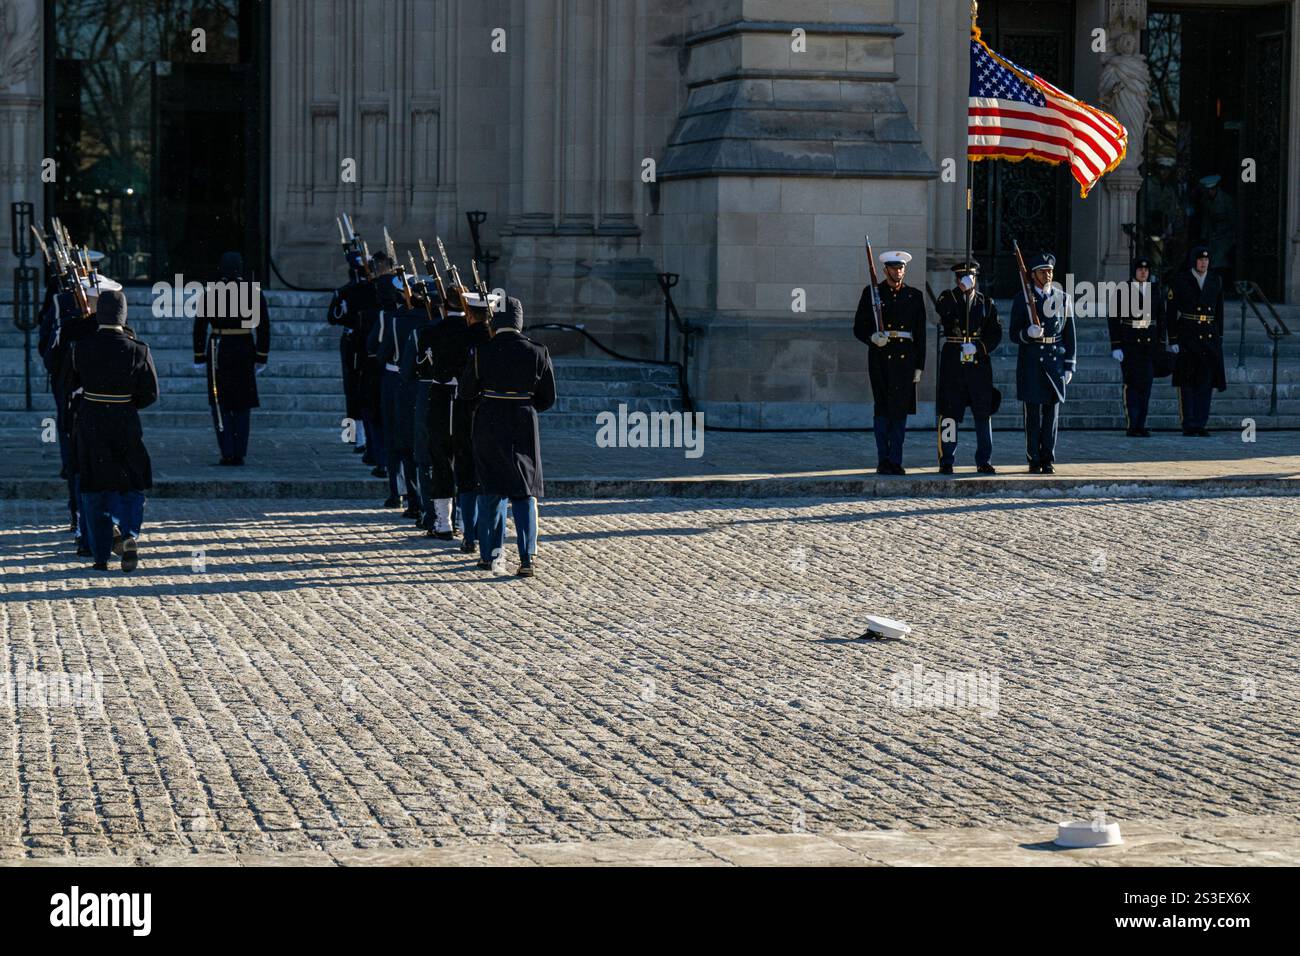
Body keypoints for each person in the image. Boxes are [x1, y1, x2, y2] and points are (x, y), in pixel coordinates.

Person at [64, 289, 158, 572]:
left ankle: (101, 554)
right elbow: (150, 393)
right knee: (130, 481)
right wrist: (127, 403)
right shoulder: (138, 349)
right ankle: (128, 533)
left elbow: (71, 383)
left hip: (92, 418)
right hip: (124, 420)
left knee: (94, 486)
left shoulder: (82, 346)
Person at [461, 297, 556, 578]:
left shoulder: (482, 351)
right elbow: (548, 397)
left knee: (492, 490)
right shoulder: (538, 351)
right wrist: (525, 404)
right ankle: (527, 557)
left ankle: (492, 555)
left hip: (490, 419)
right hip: (523, 420)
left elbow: (466, 391)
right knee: (525, 491)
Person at [192, 252, 271, 466]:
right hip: (244, 347)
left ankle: (227, 450)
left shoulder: (211, 292)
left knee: (222, 403)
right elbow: (263, 327)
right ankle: (239, 451)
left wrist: (199, 355)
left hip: (218, 348)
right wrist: (261, 355)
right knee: (242, 404)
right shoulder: (252, 292)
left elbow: (200, 326)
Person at [853, 250, 926, 475]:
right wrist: (872, 337)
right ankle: (883, 459)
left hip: (905, 359)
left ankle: (896, 460)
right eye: (894, 268)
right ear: (885, 271)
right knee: (882, 410)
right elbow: (859, 327)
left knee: (900, 412)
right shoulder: (873, 293)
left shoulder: (914, 295)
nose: (898, 272)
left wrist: (919, 366)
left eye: (901, 268)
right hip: (881, 358)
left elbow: (921, 334)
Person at [1010, 252, 1076, 474]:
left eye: (1050, 271)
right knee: (1032, 416)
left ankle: (1048, 457)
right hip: (1031, 363)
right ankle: (1033, 457)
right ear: (1033, 274)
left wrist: (1069, 365)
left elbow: (1070, 334)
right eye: (1042, 271)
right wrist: (1028, 333)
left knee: (1051, 415)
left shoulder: (1063, 298)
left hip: (1054, 360)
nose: (1047, 275)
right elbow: (1013, 334)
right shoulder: (1023, 299)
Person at [934, 260, 1001, 474]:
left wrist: (980, 347)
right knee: (949, 413)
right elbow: (942, 310)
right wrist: (959, 292)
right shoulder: (949, 297)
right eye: (962, 277)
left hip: (978, 365)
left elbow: (995, 333)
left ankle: (984, 458)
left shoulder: (986, 302)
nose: (966, 280)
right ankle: (946, 458)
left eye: (970, 277)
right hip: (954, 362)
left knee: (983, 412)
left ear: (975, 278)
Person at [367, 273, 425, 512]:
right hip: (427, 382)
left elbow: (379, 352)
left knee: (396, 439)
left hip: (397, 380)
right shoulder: (430, 319)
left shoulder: (394, 319)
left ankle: (400, 494)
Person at [1166, 245, 1225, 437]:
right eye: (1200, 260)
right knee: (1188, 382)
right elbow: (1171, 310)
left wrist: (1219, 337)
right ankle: (1189, 423)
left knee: (1205, 383)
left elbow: (1219, 312)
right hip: (1188, 334)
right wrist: (1173, 338)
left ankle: (1201, 422)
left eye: (1206, 260)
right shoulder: (1182, 280)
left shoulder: (1215, 280)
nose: (1203, 263)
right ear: (1194, 261)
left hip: (1208, 336)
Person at [1108, 257, 1166, 437]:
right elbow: (1113, 319)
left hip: (1149, 344)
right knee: (1132, 385)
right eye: (1140, 270)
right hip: (1130, 344)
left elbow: (1161, 318)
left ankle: (1141, 423)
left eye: (1146, 270)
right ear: (1134, 271)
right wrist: (1116, 345)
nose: (1143, 272)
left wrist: (1161, 343)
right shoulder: (1123, 289)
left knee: (1146, 385)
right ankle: (1132, 424)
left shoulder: (1155, 289)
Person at [327, 249, 374, 456]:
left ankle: (354, 436)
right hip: (366, 341)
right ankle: (357, 436)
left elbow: (333, 317)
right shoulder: (373, 290)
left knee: (352, 389)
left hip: (354, 341)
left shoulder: (347, 291)